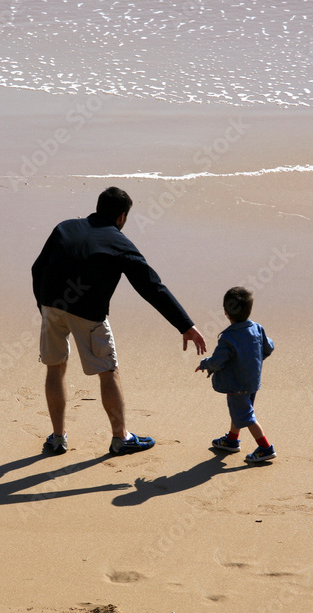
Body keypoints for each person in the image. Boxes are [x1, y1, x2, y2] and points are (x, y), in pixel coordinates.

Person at [32, 187, 207, 456]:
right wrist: (185, 325)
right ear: (122, 216)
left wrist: (43, 306)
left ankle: (57, 438)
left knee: (55, 369)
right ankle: (121, 438)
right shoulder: (119, 243)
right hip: (88, 314)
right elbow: (151, 287)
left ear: (98, 206)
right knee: (108, 372)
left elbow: (37, 267)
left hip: (51, 305)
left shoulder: (64, 227)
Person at [195, 286, 276, 464]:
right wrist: (254, 360)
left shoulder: (228, 338)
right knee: (240, 411)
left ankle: (265, 447)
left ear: (226, 312)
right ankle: (232, 440)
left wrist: (205, 364)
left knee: (246, 416)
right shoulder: (257, 329)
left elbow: (217, 361)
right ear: (249, 309)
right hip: (253, 381)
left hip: (236, 384)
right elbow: (269, 347)